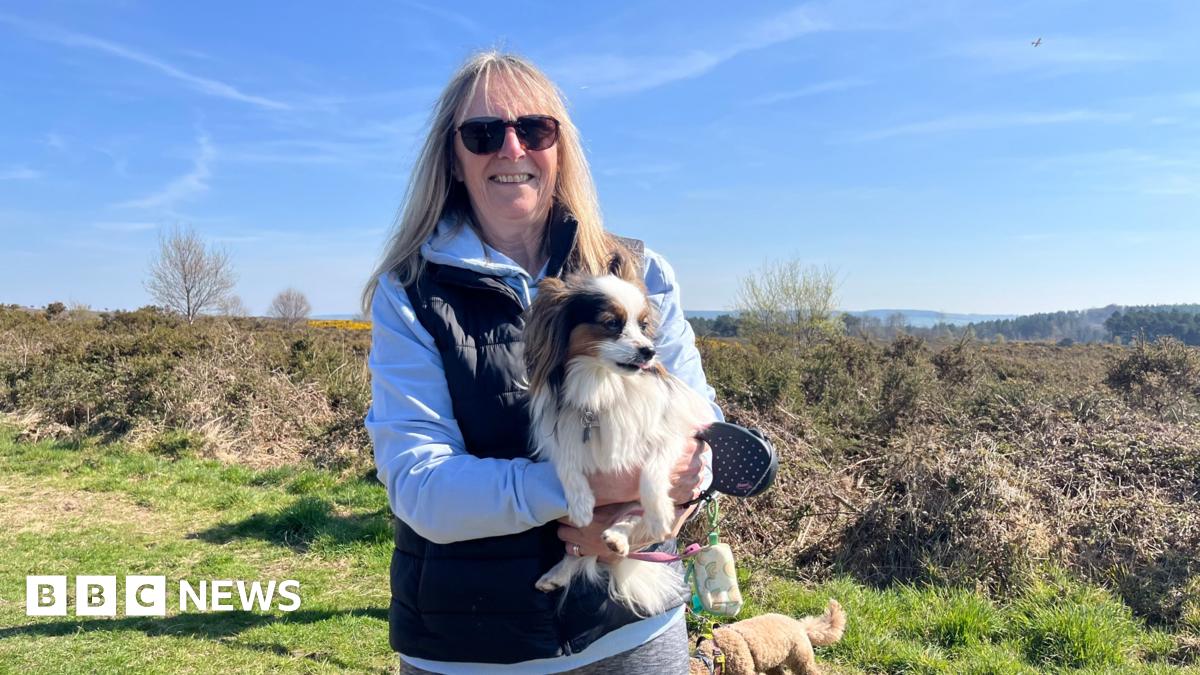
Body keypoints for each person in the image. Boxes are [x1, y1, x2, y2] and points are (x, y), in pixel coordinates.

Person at [362, 51, 723, 674]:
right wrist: (576, 490)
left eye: (534, 129)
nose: (511, 149)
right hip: (471, 644)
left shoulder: (641, 271)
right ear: (452, 155)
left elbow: (700, 423)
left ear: (560, 146)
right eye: (482, 134)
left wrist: (672, 497)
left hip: (632, 631)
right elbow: (419, 486)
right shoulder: (411, 290)